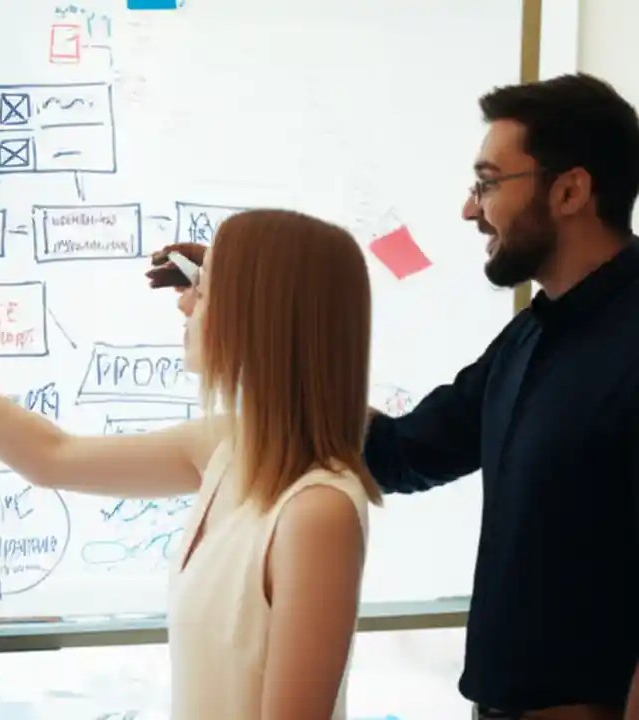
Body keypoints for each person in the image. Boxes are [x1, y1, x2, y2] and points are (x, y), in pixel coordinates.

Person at [151, 73, 639, 720]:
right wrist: (257, 308)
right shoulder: (529, 337)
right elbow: (402, 453)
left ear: (571, 189)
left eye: (488, 183)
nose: (471, 209)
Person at [0, 208, 381, 719]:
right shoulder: (228, 449)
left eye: (205, 285)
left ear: (259, 313)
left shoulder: (316, 513)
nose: (184, 304)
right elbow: (50, 457)